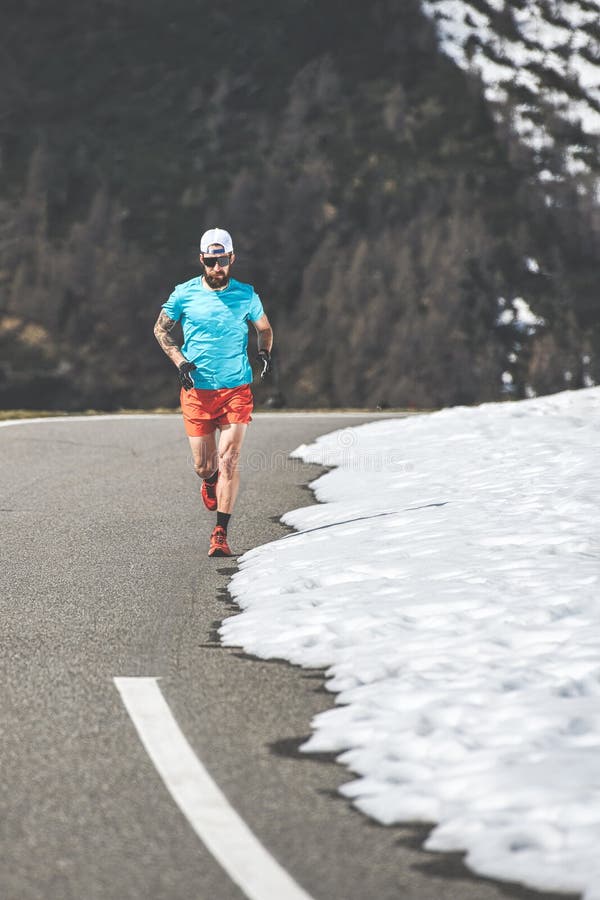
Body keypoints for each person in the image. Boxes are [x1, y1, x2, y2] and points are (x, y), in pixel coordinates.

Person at [154, 227, 273, 557]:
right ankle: (209, 480)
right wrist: (179, 361)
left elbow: (263, 328)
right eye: (210, 262)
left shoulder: (246, 295)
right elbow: (160, 328)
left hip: (236, 388)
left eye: (222, 261)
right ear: (202, 260)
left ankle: (220, 532)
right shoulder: (184, 294)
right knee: (205, 465)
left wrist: (264, 352)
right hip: (197, 391)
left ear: (231, 258)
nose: (216, 268)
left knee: (229, 459)